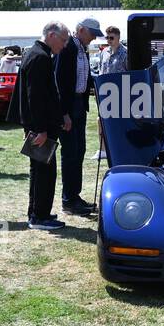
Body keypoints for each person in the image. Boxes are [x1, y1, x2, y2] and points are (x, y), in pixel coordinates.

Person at [8, 22, 69, 231]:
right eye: (63, 39)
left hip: (39, 124)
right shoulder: (40, 57)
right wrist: (41, 129)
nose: (64, 44)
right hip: (41, 125)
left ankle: (36, 212)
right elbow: (35, 97)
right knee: (45, 170)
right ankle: (39, 216)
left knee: (39, 169)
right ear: (51, 35)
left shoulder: (35, 53)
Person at [56, 17, 102, 215]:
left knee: (79, 150)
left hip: (79, 105)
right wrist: (64, 112)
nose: (93, 38)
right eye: (92, 34)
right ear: (81, 30)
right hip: (69, 106)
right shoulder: (67, 48)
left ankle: (74, 196)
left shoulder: (81, 48)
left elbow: (86, 77)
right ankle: (69, 200)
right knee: (71, 153)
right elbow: (59, 80)